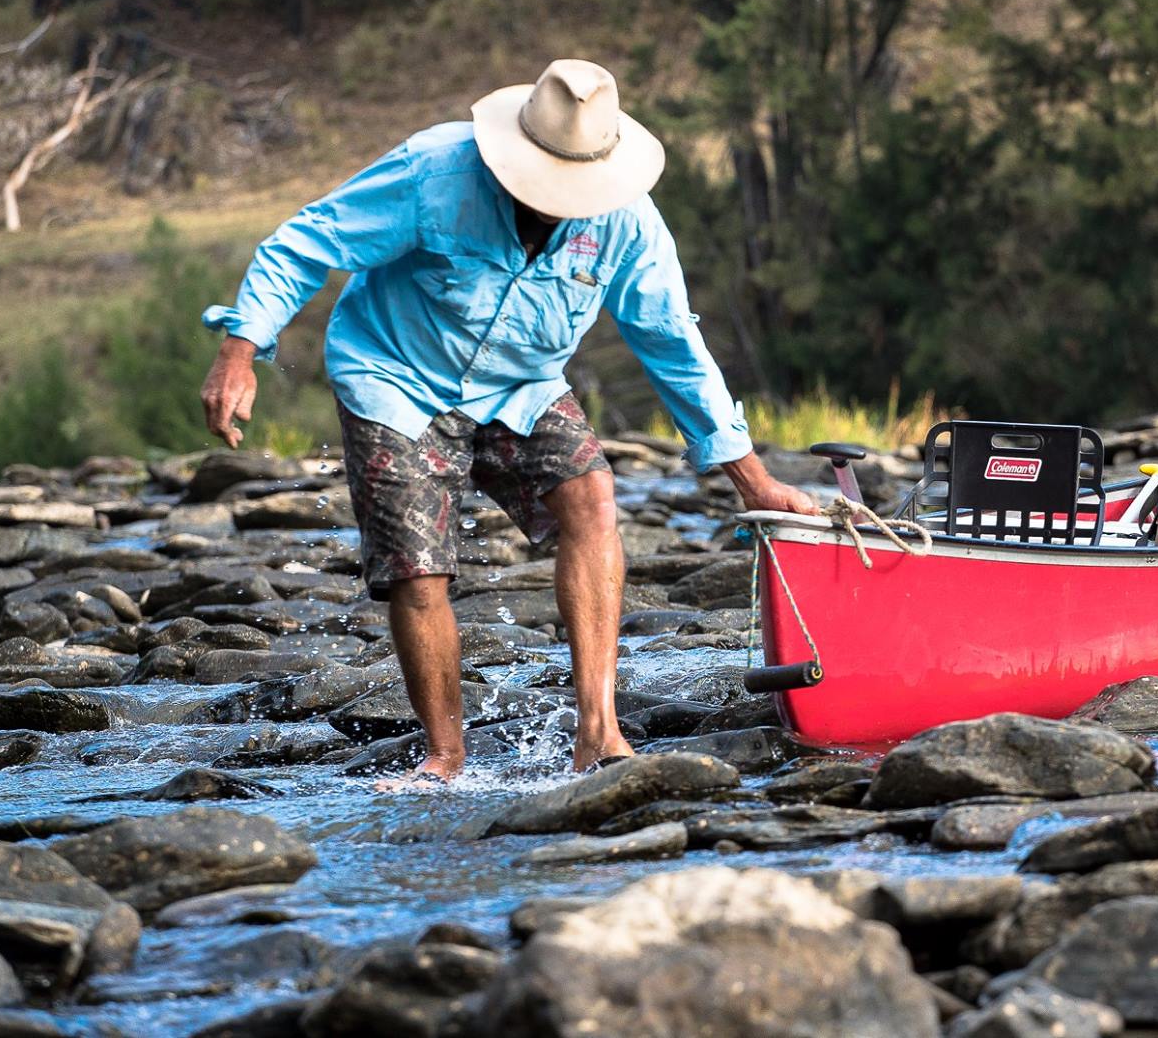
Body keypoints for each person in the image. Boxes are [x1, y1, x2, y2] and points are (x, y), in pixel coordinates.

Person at [198, 59, 818, 781]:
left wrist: (753, 480)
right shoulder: (434, 174)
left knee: (592, 496)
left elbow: (672, 341)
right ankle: (445, 756)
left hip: (522, 384)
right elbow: (307, 241)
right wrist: (240, 349)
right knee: (419, 567)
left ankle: (599, 731)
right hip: (395, 373)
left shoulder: (626, 222)